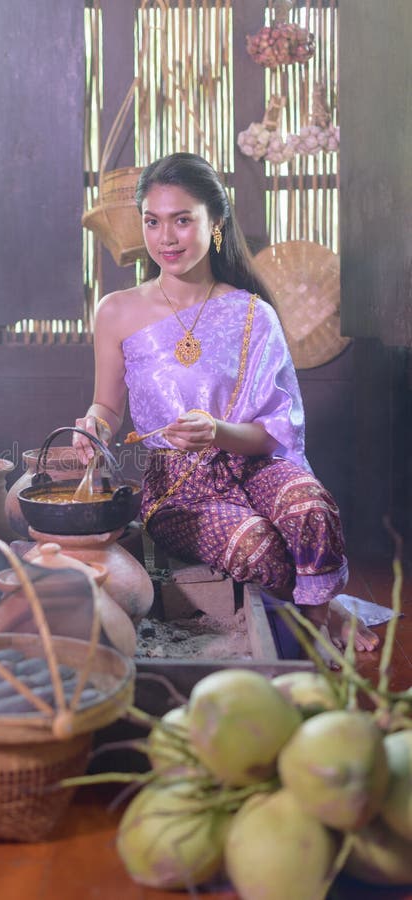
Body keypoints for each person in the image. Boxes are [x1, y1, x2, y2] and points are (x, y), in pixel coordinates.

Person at [74, 151, 378, 654]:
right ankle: (316, 620)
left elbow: (277, 431)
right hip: (180, 488)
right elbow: (106, 407)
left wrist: (217, 431)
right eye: (153, 221)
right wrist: (93, 427)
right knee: (260, 547)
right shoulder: (117, 312)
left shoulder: (251, 314)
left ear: (215, 223)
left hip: (254, 464)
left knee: (311, 507)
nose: (166, 238)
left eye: (182, 221)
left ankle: (325, 613)